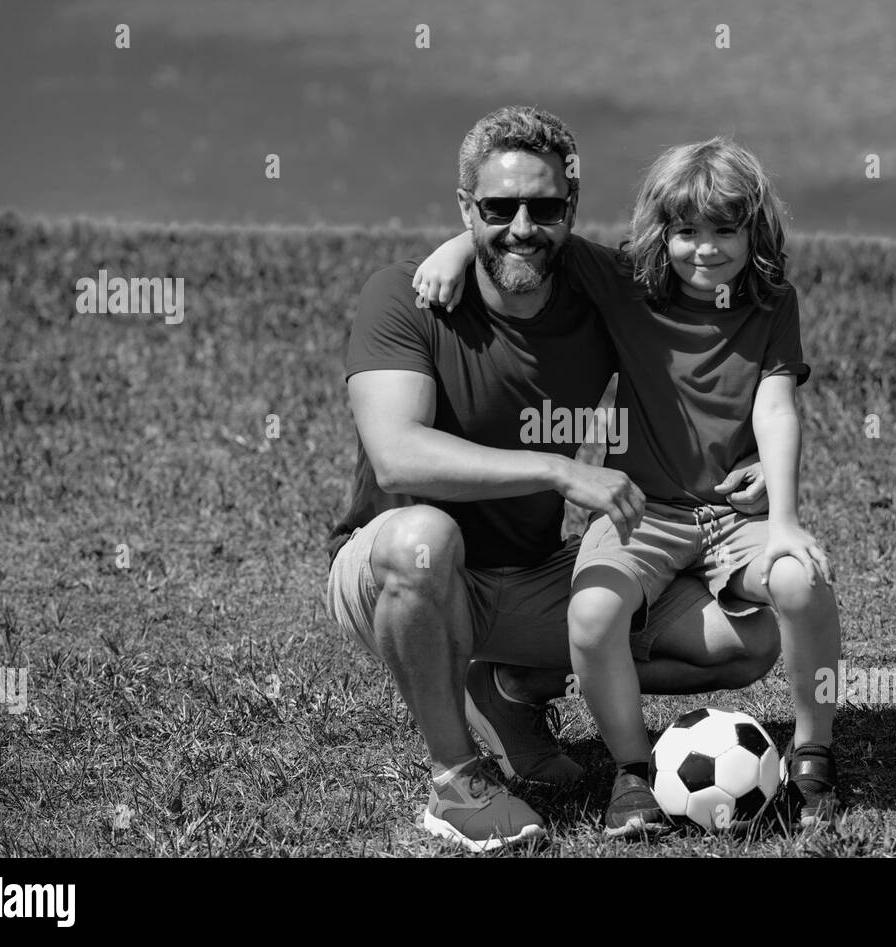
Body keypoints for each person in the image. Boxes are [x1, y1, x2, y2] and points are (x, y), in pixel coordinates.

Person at [326, 107, 781, 853]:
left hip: (531, 575)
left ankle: (513, 686)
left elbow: (719, 337)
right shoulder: (403, 298)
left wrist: (763, 457)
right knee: (423, 538)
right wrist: (557, 467)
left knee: (747, 639)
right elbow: (398, 456)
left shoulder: (600, 295)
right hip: (394, 567)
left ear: (571, 209)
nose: (522, 226)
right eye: (498, 208)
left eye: (544, 207)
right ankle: (456, 783)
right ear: (466, 208)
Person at [414, 138, 843, 839]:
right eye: (686, 232)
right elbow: (528, 238)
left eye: (724, 230)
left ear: (754, 230)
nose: (705, 250)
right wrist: (455, 251)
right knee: (590, 616)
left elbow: (776, 407)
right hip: (641, 509)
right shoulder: (626, 282)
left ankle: (814, 753)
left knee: (799, 582)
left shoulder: (772, 303)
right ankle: (632, 774)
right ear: (661, 232)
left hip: (734, 517)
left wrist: (786, 517)